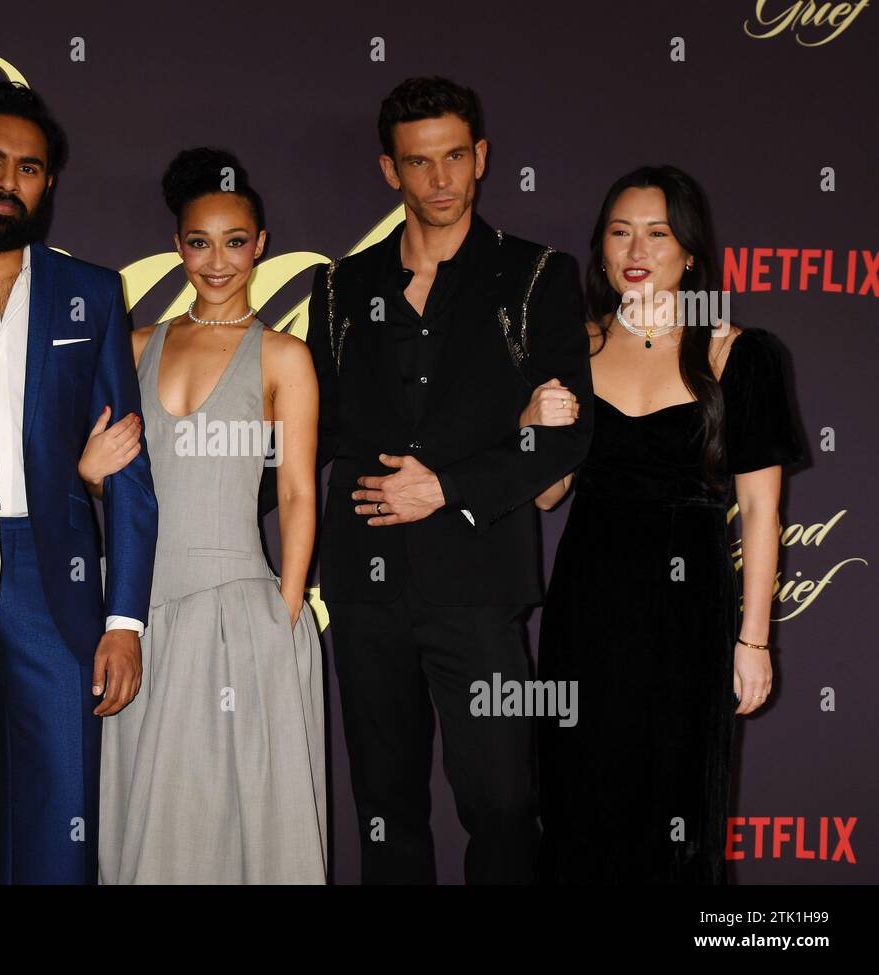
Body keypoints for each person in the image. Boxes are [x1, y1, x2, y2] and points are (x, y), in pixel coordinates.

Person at [304, 76, 593, 884]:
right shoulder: (338, 287)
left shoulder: (538, 276)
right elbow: (305, 433)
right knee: (386, 809)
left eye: (455, 157)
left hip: (480, 585)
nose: (440, 179)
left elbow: (568, 436)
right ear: (389, 171)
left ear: (482, 159)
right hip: (364, 588)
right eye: (418, 162)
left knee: (503, 804)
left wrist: (447, 487)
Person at [0, 80, 158, 885]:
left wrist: (125, 619)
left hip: (55, 578)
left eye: (28, 167)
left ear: (47, 183)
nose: (8, 180)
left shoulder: (91, 291)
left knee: (60, 815)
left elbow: (127, 466)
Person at [533, 165, 805, 884]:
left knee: (677, 798)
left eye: (658, 232)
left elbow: (759, 510)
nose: (637, 248)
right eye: (620, 231)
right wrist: (531, 425)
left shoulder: (737, 354)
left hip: (687, 611)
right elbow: (547, 496)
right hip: (588, 605)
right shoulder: (575, 347)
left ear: (690, 251)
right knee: (579, 794)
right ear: (599, 248)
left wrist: (753, 640)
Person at [93, 147, 327, 883]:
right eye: (200, 242)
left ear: (260, 245)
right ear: (178, 247)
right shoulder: (131, 348)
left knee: (249, 829)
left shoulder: (284, 357)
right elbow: (113, 486)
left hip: (242, 617)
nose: (217, 261)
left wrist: (285, 610)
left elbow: (295, 491)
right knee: (151, 829)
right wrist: (87, 474)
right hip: (139, 618)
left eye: (234, 242)